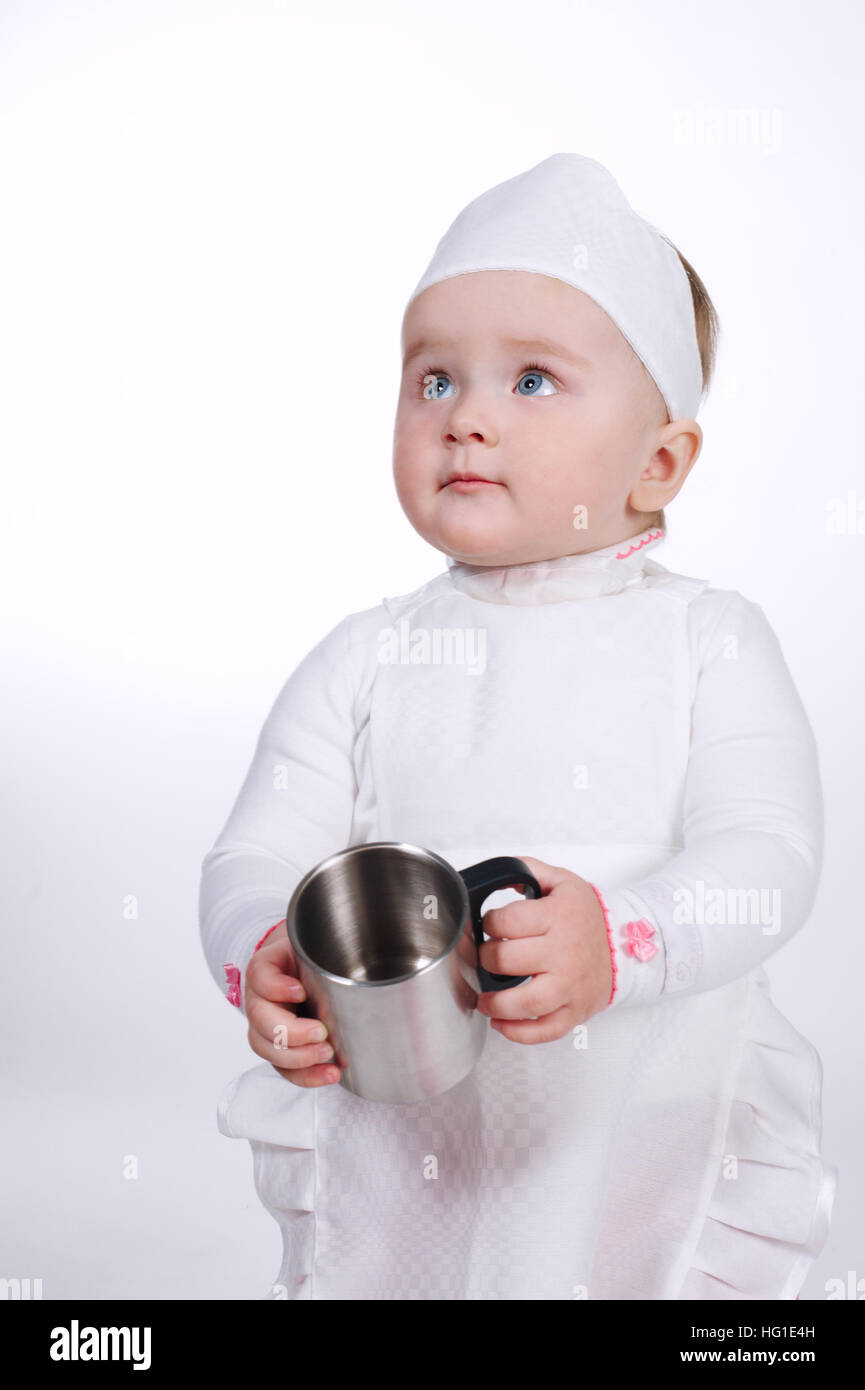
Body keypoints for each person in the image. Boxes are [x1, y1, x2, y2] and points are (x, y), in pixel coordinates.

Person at [198, 153, 837, 1299]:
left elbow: (770, 857)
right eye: (433, 380)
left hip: (637, 1125)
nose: (468, 420)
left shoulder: (709, 643)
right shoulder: (367, 655)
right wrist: (262, 951)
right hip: (402, 1136)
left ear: (657, 462)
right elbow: (253, 852)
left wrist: (628, 939)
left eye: (532, 381)